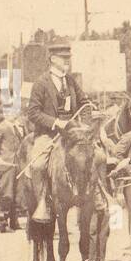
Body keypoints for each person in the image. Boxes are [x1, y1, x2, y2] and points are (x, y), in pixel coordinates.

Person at [24, 43, 88, 221]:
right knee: (37, 165)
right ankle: (42, 201)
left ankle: (96, 195)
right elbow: (33, 113)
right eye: (63, 58)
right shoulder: (41, 83)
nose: (67, 61)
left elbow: (85, 102)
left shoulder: (71, 81)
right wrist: (55, 122)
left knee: (94, 155)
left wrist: (88, 119)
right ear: (52, 59)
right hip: (48, 134)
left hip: (72, 133)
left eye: (68, 57)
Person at [0, 107, 27, 231]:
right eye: (8, 111)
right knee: (7, 193)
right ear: (3, 114)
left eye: (14, 110)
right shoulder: (1, 127)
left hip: (18, 165)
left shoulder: (18, 126)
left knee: (18, 193)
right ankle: (3, 223)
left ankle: (14, 221)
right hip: (6, 164)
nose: (13, 113)